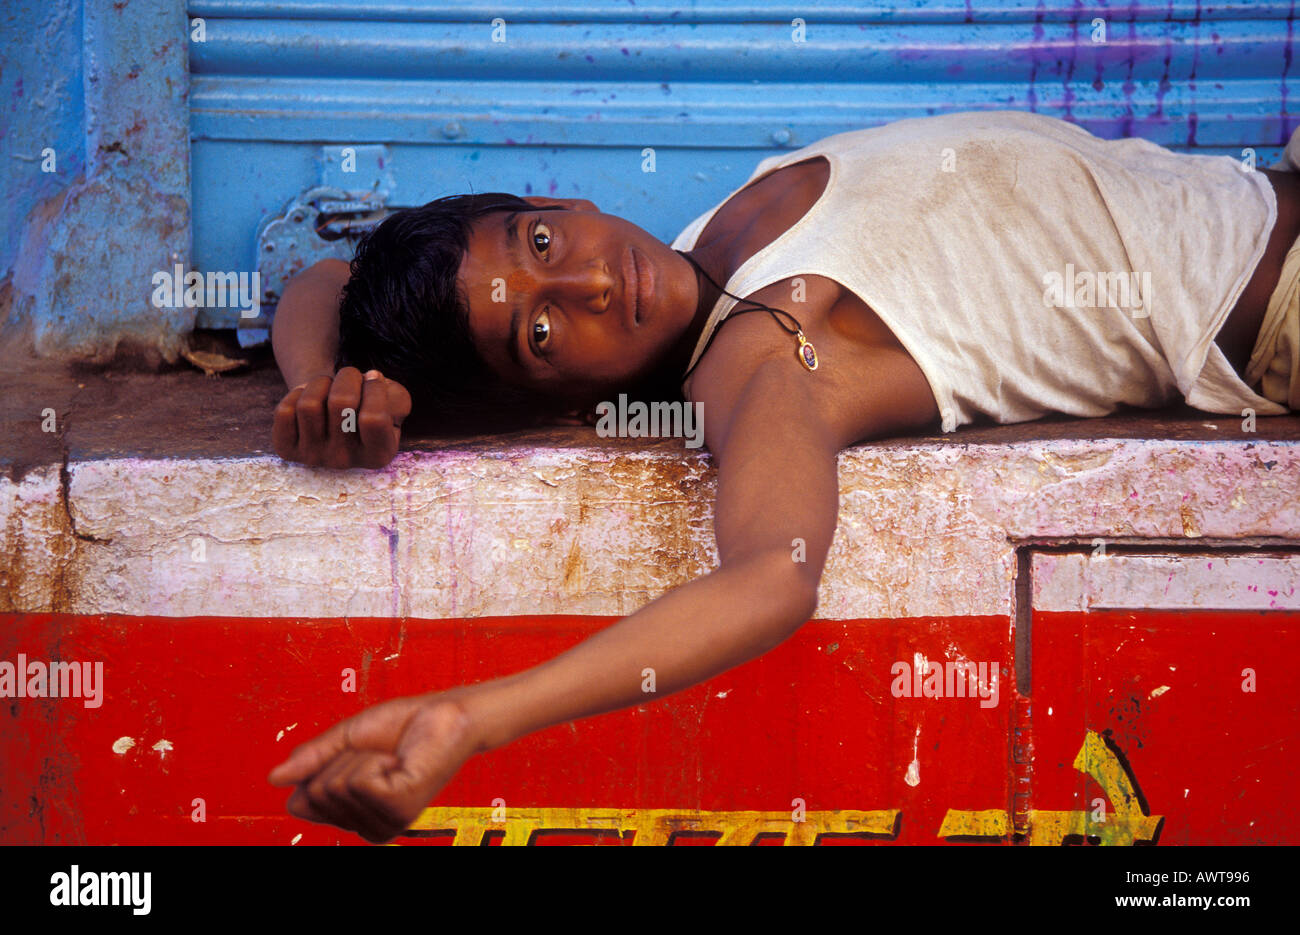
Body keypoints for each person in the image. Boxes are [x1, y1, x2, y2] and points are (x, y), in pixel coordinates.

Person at [267, 109, 1300, 843]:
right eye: (541, 332)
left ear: (557, 200)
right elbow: (772, 573)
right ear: (559, 405)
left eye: (540, 239)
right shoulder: (764, 357)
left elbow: (324, 275)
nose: (588, 279)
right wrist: (474, 718)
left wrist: (319, 384)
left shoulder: (701, 254)